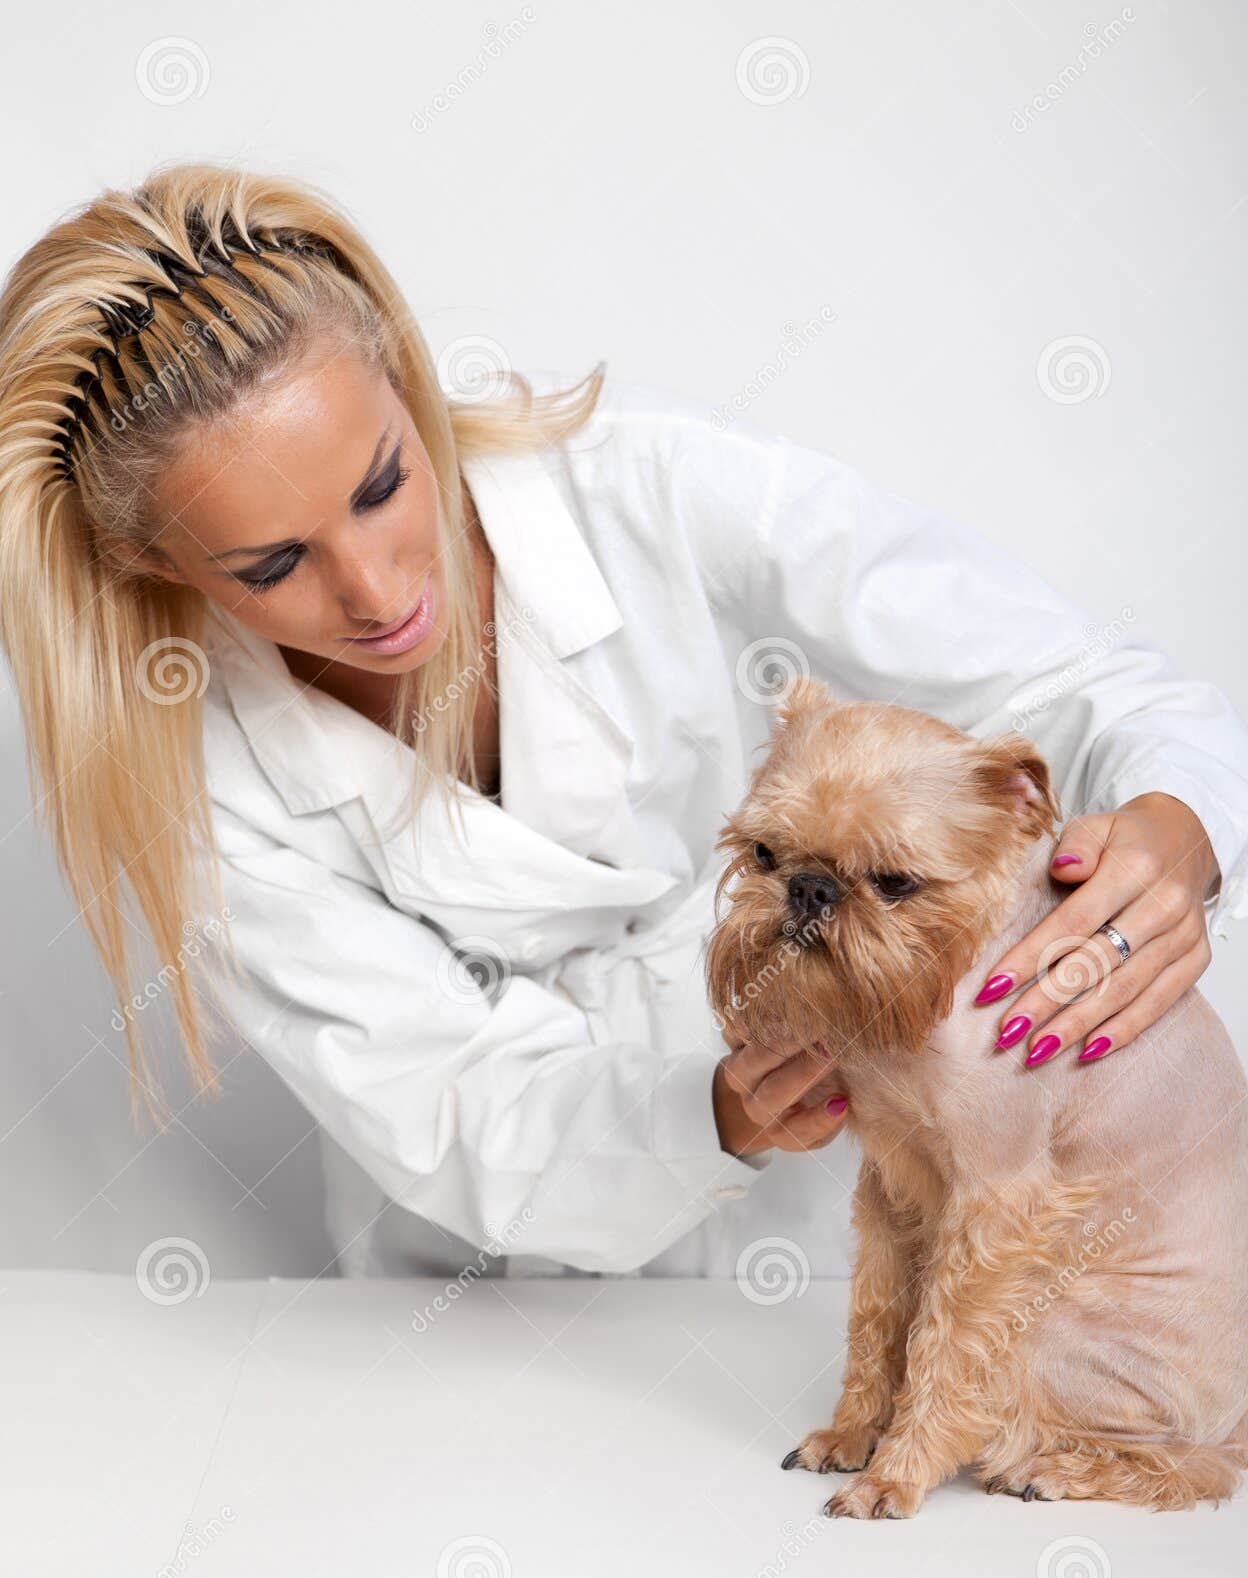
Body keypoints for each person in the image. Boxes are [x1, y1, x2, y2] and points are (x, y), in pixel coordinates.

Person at [0, 162, 1244, 1281]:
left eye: (383, 484)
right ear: (148, 562)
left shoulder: (651, 481)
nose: (377, 592)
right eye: (274, 565)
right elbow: (448, 1102)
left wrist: (1178, 824)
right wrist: (713, 1119)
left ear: (405, 377)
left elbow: (1082, 684)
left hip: (835, 1234)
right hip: (475, 1294)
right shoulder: (190, 773)